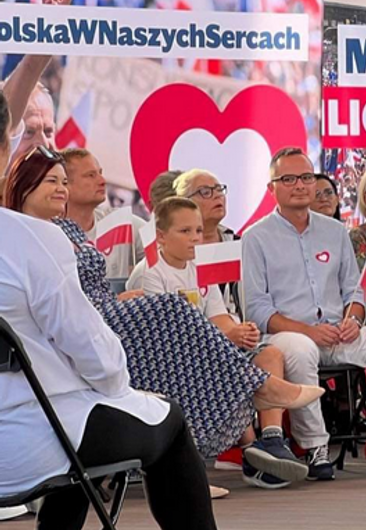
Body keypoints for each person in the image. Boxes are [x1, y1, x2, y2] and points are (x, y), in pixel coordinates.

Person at [3, 148, 323, 464]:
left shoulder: (67, 229)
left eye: (63, 182)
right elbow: (54, 299)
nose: (61, 189)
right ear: (24, 185)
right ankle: (255, 388)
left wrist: (115, 301)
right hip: (76, 321)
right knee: (170, 308)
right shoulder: (19, 234)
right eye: (50, 182)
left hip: (102, 312)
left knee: (173, 335)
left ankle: (202, 448)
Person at [0, 207, 218, 530]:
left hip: (42, 432)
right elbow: (95, 354)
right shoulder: (27, 238)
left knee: (84, 431)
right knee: (167, 420)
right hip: (27, 444)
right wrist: (118, 388)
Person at [241, 147, 366, 481]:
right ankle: (315, 446)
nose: (300, 185)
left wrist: (355, 319)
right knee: (302, 348)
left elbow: (355, 290)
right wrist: (308, 330)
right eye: (288, 179)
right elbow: (258, 309)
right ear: (271, 188)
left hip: (339, 332)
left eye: (306, 177)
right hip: (288, 337)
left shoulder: (335, 232)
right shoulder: (256, 237)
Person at [140, 197, 310, 488]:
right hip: (173, 364)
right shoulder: (149, 274)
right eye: (185, 232)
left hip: (209, 351)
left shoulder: (197, 268)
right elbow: (166, 336)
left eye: (197, 230)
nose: (195, 238)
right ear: (161, 236)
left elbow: (218, 316)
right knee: (225, 367)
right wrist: (223, 336)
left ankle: (271, 441)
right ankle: (253, 450)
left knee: (270, 354)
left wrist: (239, 332)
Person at [60, 148, 146, 280]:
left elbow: (166, 253)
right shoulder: (51, 233)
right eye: (90, 175)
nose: (102, 180)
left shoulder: (120, 222)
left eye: (100, 173)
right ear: (65, 184)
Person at [174, 169, 244, 317]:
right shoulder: (175, 251)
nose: (218, 195)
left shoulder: (237, 243)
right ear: (185, 202)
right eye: (205, 192)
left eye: (219, 189)